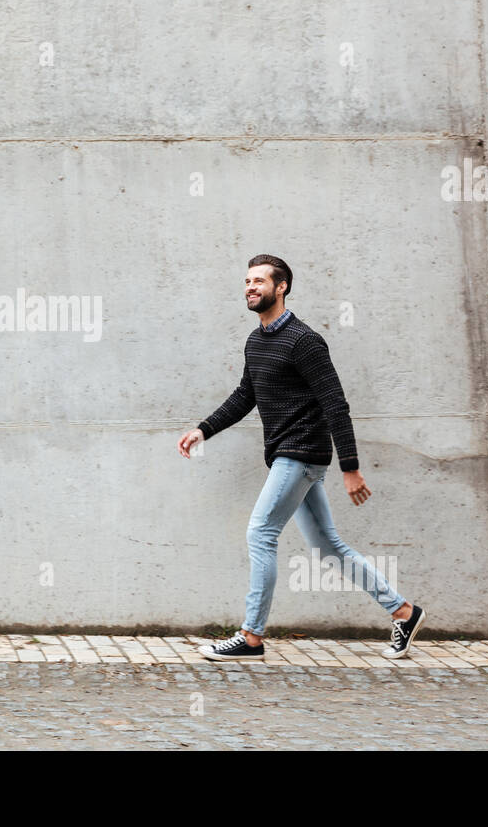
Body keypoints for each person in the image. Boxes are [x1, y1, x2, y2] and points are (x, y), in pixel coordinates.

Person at [177, 254, 425, 660]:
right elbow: (246, 395)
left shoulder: (304, 340)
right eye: (246, 281)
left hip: (301, 452)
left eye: (259, 281)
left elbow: (335, 403)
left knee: (260, 533)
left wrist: (350, 467)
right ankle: (403, 611)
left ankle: (251, 637)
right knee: (328, 546)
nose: (250, 287)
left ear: (282, 287)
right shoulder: (256, 341)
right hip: (287, 456)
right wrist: (203, 429)